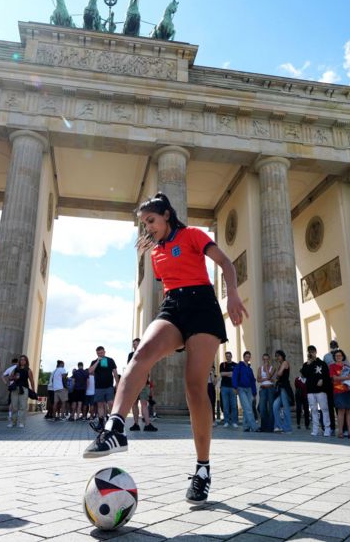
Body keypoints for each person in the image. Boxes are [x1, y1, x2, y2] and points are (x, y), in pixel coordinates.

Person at [82, 192, 247, 505]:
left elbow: (225, 263)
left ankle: (202, 469)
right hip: (173, 306)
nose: (148, 227)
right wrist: (147, 254)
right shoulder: (154, 252)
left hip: (202, 305)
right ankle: (115, 427)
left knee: (194, 386)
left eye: (151, 221)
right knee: (140, 355)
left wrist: (234, 295)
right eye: (144, 223)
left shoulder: (192, 235)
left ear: (167, 215)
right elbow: (166, 284)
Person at [301, 346, 331, 437]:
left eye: (312, 351)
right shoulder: (306, 364)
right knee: (313, 410)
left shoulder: (322, 363)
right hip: (310, 391)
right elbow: (303, 374)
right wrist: (308, 364)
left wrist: (322, 380)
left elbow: (327, 375)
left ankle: (327, 429)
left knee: (324, 409)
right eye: (309, 352)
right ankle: (315, 429)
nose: (311, 353)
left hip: (321, 391)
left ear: (316, 352)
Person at [88, 346, 119, 429]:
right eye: (98, 353)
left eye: (101, 353)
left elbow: (115, 372)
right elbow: (90, 371)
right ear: (96, 353)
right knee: (100, 405)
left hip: (109, 386)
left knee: (111, 403)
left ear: (104, 352)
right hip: (99, 387)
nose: (100, 354)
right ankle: (101, 423)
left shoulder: (110, 360)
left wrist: (117, 383)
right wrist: (98, 361)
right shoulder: (94, 361)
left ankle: (112, 421)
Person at [329, 350, 350, 439]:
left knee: (349, 411)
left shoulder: (348, 367)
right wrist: (347, 377)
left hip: (349, 390)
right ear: (334, 357)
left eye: (340, 355)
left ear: (343, 356)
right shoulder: (332, 366)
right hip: (338, 391)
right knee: (341, 411)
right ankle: (340, 432)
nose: (338, 357)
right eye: (337, 356)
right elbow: (334, 378)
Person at [232, 351, 257, 432]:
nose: (248, 358)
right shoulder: (239, 366)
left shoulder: (250, 369)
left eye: (249, 357)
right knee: (248, 408)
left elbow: (253, 381)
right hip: (241, 389)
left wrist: (254, 392)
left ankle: (246, 427)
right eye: (246, 356)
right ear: (244, 357)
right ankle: (254, 427)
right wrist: (235, 387)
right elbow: (234, 376)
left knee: (247, 408)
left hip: (249, 389)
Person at [8, 354, 35, 427]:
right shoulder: (16, 369)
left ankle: (22, 422)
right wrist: (14, 377)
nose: (22, 361)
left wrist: (33, 390)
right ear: (19, 361)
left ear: (26, 361)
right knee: (14, 406)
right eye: (21, 359)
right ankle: (13, 422)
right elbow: (10, 378)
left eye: (24, 360)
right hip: (15, 388)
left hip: (24, 389)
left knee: (23, 406)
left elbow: (32, 381)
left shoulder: (28, 370)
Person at [272, 350, 294, 434]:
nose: (277, 357)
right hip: (280, 388)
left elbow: (279, 374)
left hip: (284, 387)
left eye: (278, 356)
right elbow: (277, 376)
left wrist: (277, 373)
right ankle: (278, 426)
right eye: (276, 356)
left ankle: (288, 428)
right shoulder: (281, 365)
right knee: (275, 406)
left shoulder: (285, 363)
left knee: (286, 408)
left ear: (282, 355)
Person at [256, 353, 275, 433]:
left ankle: (270, 427)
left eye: (267, 359)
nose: (265, 361)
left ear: (269, 359)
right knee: (262, 408)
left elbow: (269, 376)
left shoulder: (272, 368)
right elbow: (258, 379)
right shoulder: (260, 368)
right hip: (263, 389)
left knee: (271, 408)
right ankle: (264, 426)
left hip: (270, 388)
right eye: (264, 359)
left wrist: (266, 368)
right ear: (262, 359)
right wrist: (266, 378)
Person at [218, 351, 237, 428]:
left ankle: (234, 421)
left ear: (231, 356)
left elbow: (235, 375)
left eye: (229, 356)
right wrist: (230, 373)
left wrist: (227, 373)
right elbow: (222, 374)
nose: (228, 357)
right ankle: (226, 421)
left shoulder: (235, 365)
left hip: (233, 387)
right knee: (225, 405)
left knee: (233, 405)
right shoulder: (222, 364)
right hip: (224, 387)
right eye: (226, 356)